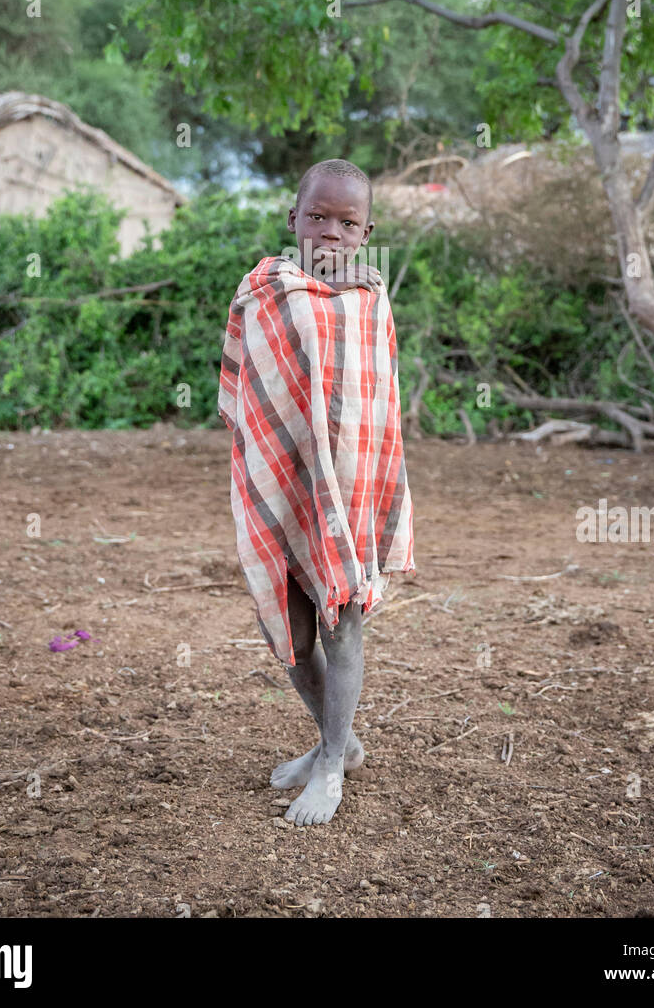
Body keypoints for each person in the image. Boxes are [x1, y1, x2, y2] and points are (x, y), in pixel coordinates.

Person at [218, 159, 415, 825]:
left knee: (342, 621)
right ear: (293, 219)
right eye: (318, 217)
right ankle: (342, 742)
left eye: (347, 222)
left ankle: (330, 766)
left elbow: (378, 402)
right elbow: (249, 383)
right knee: (294, 634)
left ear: (366, 231)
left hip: (352, 485)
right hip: (286, 479)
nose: (331, 232)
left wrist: (365, 484)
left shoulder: (371, 297)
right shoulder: (266, 289)